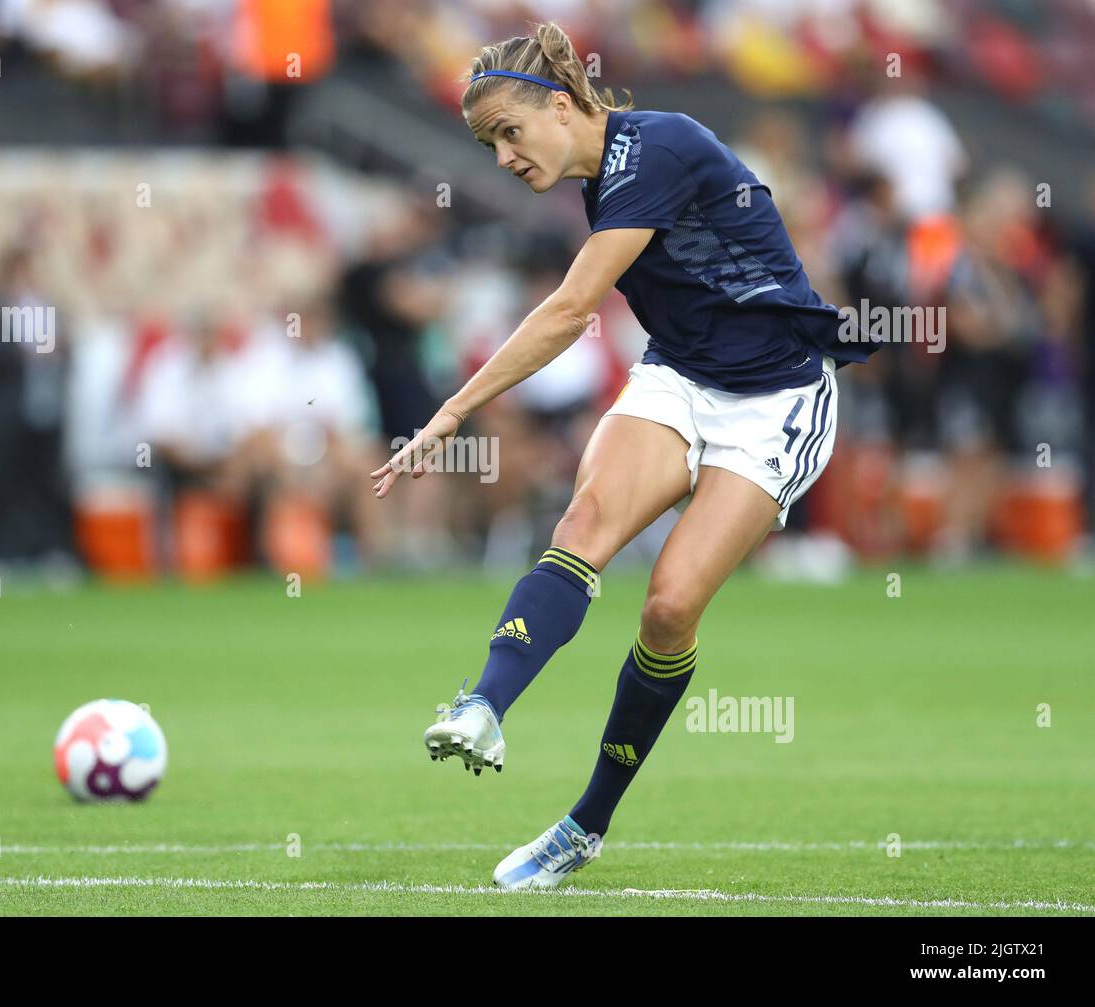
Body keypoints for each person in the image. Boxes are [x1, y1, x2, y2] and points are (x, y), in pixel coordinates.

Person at [369, 23, 878, 890]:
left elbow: (570, 312)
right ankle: (484, 705)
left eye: (509, 133)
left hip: (777, 398)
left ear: (561, 106)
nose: (501, 157)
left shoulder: (662, 146)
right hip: (679, 377)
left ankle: (584, 824)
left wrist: (453, 408)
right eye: (488, 144)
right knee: (584, 523)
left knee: (669, 609)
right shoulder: (603, 179)